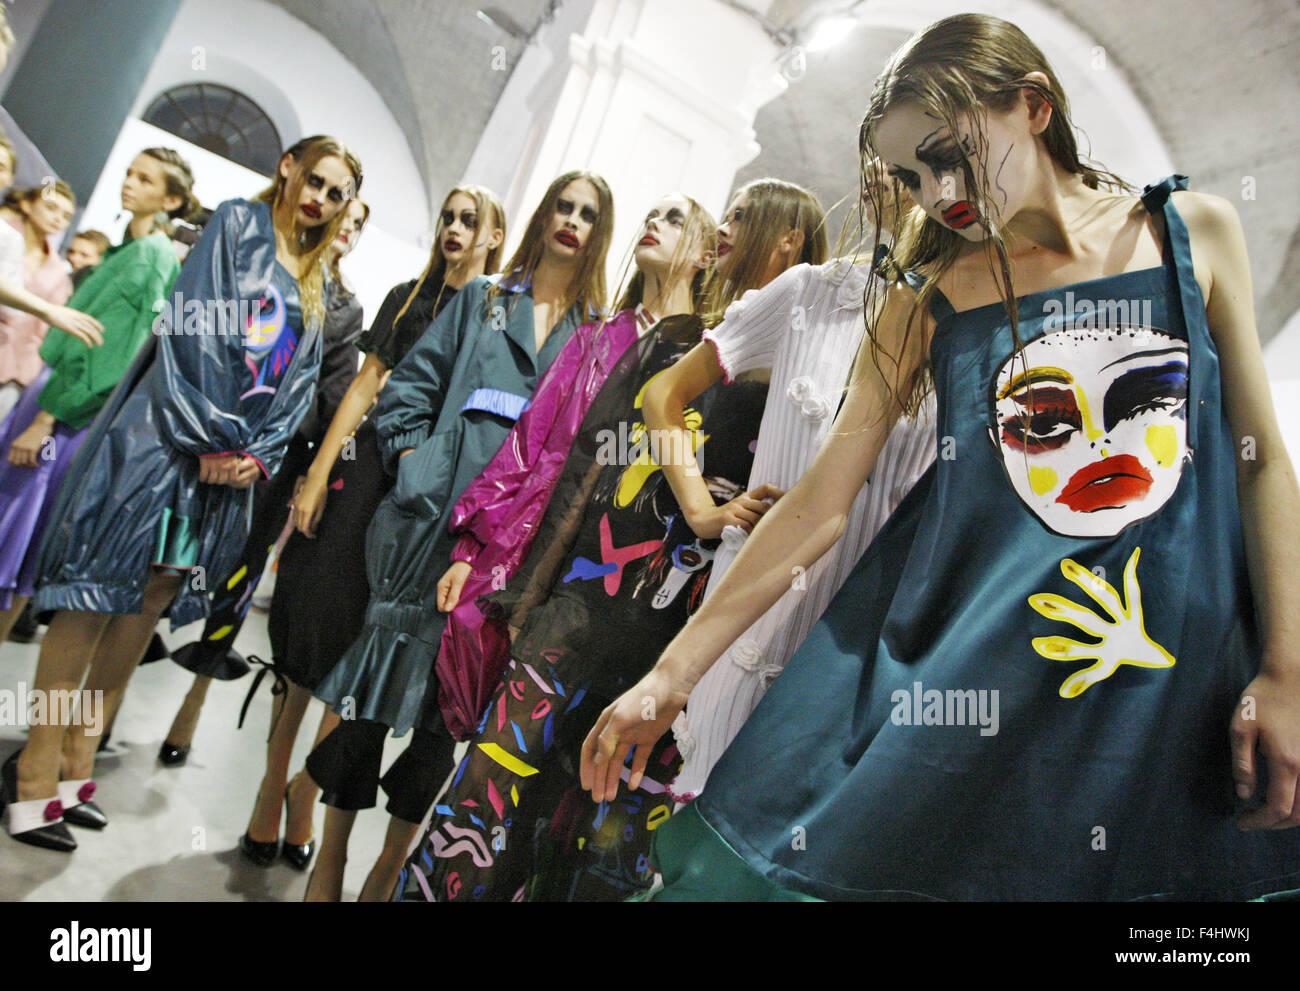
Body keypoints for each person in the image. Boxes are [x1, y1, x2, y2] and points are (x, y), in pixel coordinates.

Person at [581, 12, 1300, 901]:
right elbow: (818, 504)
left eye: (949, 154)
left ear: (1034, 105)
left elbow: (1260, 461)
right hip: (976, 681)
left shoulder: (1191, 232)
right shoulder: (928, 303)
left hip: (1174, 691)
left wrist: (1287, 668)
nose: (937, 192)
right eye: (912, 176)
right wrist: (672, 673)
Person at [393, 185, 816, 902]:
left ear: (788, 240)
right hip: (581, 613)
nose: (724, 227)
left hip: (681, 648)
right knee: (487, 805)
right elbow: (583, 475)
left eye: (742, 217)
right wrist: (529, 597)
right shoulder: (675, 342)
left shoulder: (807, 374)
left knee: (598, 845)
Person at [1, 135, 362, 852]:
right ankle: (33, 771)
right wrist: (215, 438)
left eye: (336, 193)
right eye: (315, 180)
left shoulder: (317, 277)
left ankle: (77, 760)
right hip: (161, 440)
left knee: (147, 603)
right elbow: (192, 331)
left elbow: (299, 384)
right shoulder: (235, 223)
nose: (320, 198)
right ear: (288, 168)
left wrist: (257, 454)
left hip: (224, 472)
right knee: (92, 594)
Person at [302, 171, 612, 901]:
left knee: (444, 725)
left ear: (600, 233)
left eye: (587, 213)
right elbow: (407, 389)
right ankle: (329, 865)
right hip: (426, 532)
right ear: (542, 216)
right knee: (367, 707)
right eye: (563, 206)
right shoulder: (483, 300)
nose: (571, 220)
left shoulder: (596, 336)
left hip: (502, 558)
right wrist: (421, 464)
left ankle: (386, 874)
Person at [650, 172, 937, 802]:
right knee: (702, 807)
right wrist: (702, 511)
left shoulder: (970, 329)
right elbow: (662, 395)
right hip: (746, 613)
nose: (879, 174)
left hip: (858, 640)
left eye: (906, 162)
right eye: (877, 156)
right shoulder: (811, 291)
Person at [146, 195, 370, 773]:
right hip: (201, 437)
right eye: (343, 213)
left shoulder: (343, 308)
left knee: (237, 580)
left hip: (271, 465)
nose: (347, 226)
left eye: (359, 222)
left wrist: (302, 463)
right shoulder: (259, 259)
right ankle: (103, 705)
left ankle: (191, 706)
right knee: (160, 563)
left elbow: (331, 399)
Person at [0, 148, 198, 641]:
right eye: (130, 173)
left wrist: (47, 418)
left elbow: (118, 354)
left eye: (146, 179)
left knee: (15, 540)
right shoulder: (128, 249)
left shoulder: (151, 256)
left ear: (170, 200)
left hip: (62, 413)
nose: (130, 183)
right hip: (50, 396)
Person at [0, 182, 75, 422]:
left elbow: (43, 331)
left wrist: (28, 368)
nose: (58, 218)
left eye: (66, 216)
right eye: (51, 208)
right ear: (26, 204)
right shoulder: (4, 236)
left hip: (13, 368)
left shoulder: (59, 273)